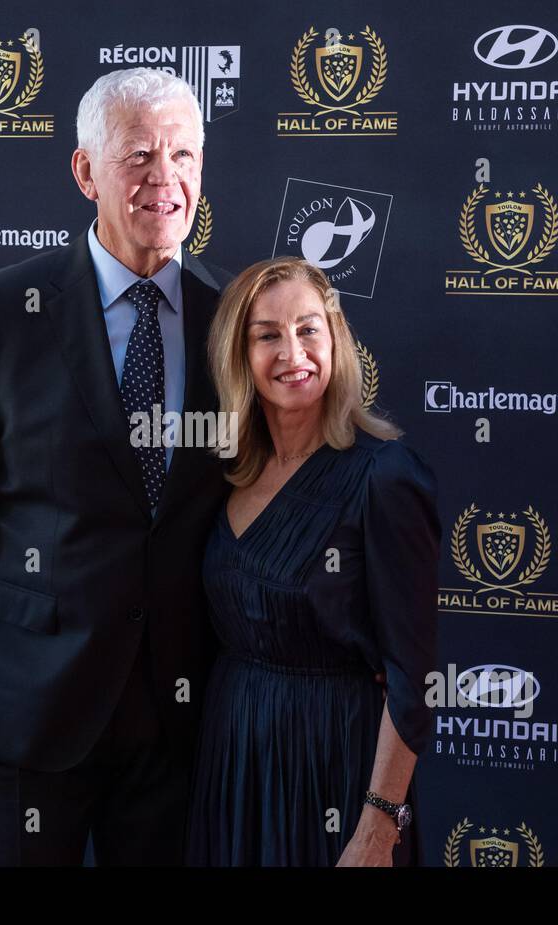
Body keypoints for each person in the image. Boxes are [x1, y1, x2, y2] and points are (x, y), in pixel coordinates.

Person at [0, 67, 233, 865]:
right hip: (27, 719)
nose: (166, 179)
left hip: (181, 729)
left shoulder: (236, 316)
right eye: (140, 156)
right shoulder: (3, 313)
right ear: (85, 172)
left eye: (184, 156)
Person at [184, 257, 441, 866]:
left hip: (336, 768)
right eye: (267, 335)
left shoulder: (384, 476)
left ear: (336, 340)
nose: (292, 352)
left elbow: (413, 680)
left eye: (308, 328)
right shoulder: (225, 473)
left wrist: (379, 825)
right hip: (234, 761)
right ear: (238, 355)